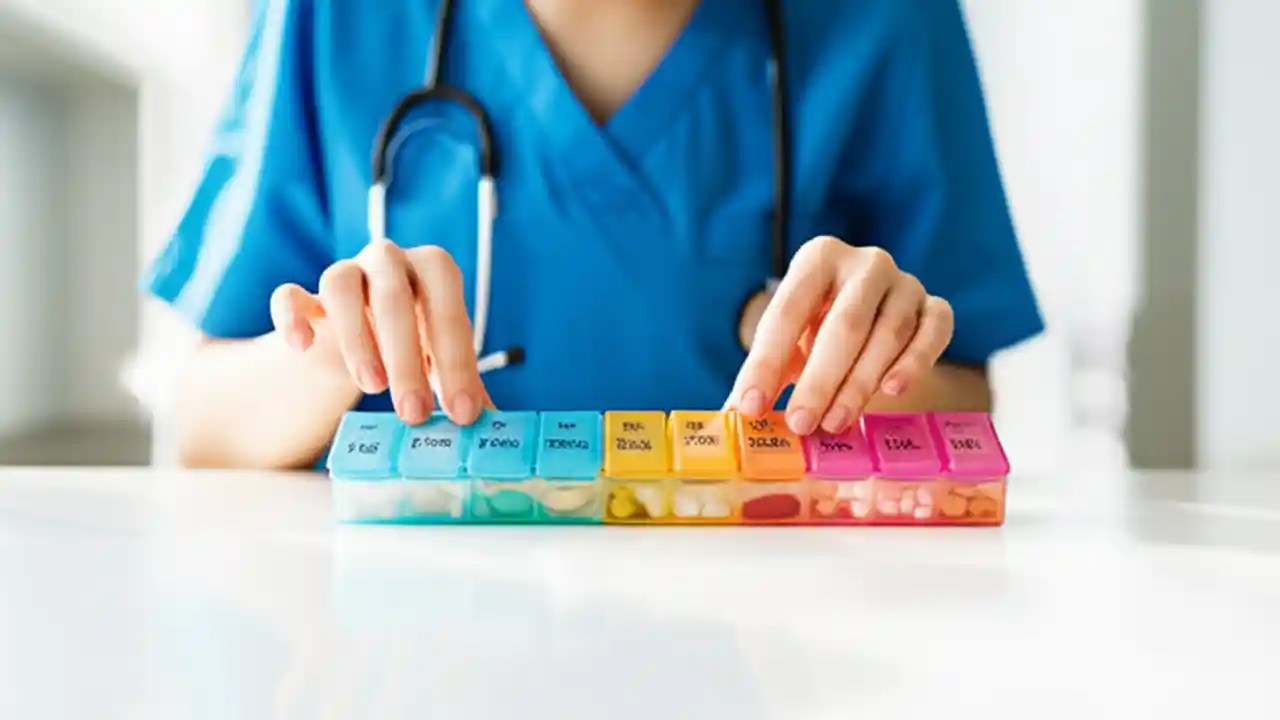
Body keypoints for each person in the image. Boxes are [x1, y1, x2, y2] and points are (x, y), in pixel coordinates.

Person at [145, 0, 1042, 470]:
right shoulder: (334, 14)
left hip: (773, 638)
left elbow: (963, 405)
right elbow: (203, 422)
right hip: (410, 635)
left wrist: (863, 359)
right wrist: (340, 354)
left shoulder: (884, 16)